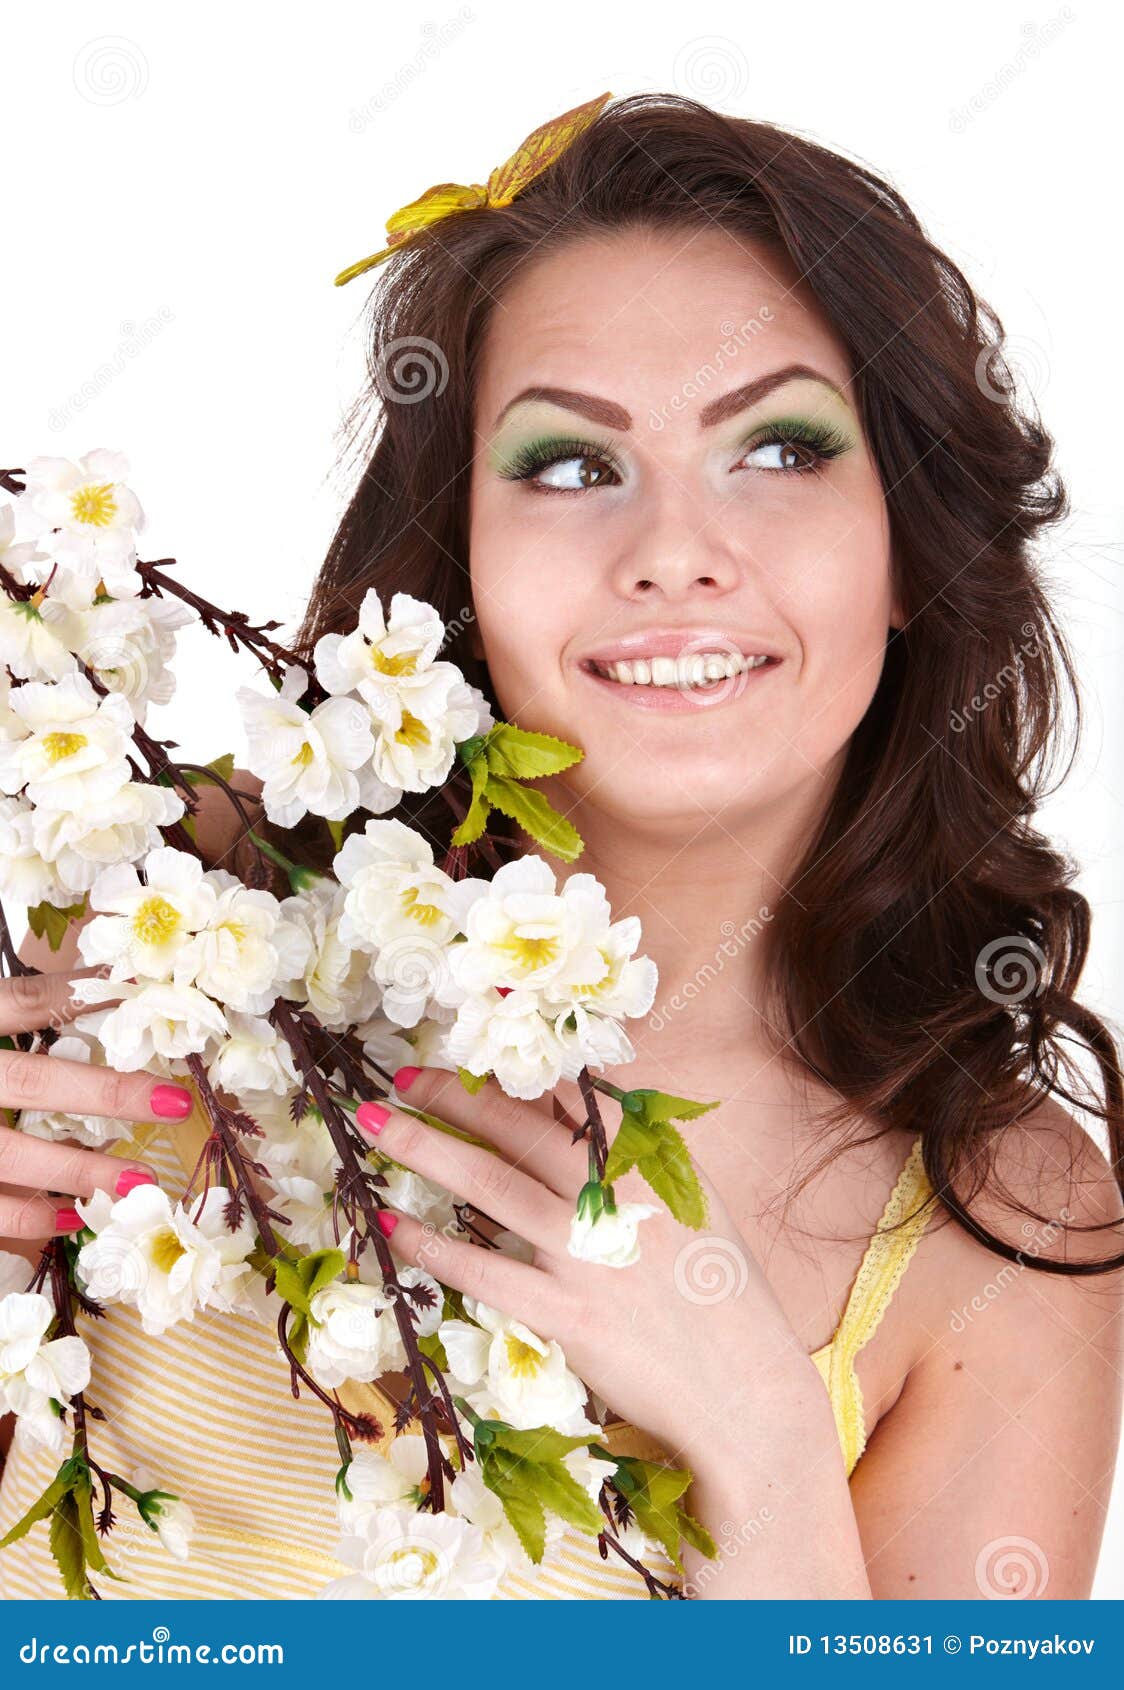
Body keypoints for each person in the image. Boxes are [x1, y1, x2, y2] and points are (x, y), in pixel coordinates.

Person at [1, 92, 1121, 1601]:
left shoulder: (1008, 1218)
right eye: (571, 465)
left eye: (781, 448)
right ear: (462, 543)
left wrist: (764, 1446)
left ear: (914, 545)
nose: (671, 544)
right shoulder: (171, 914)